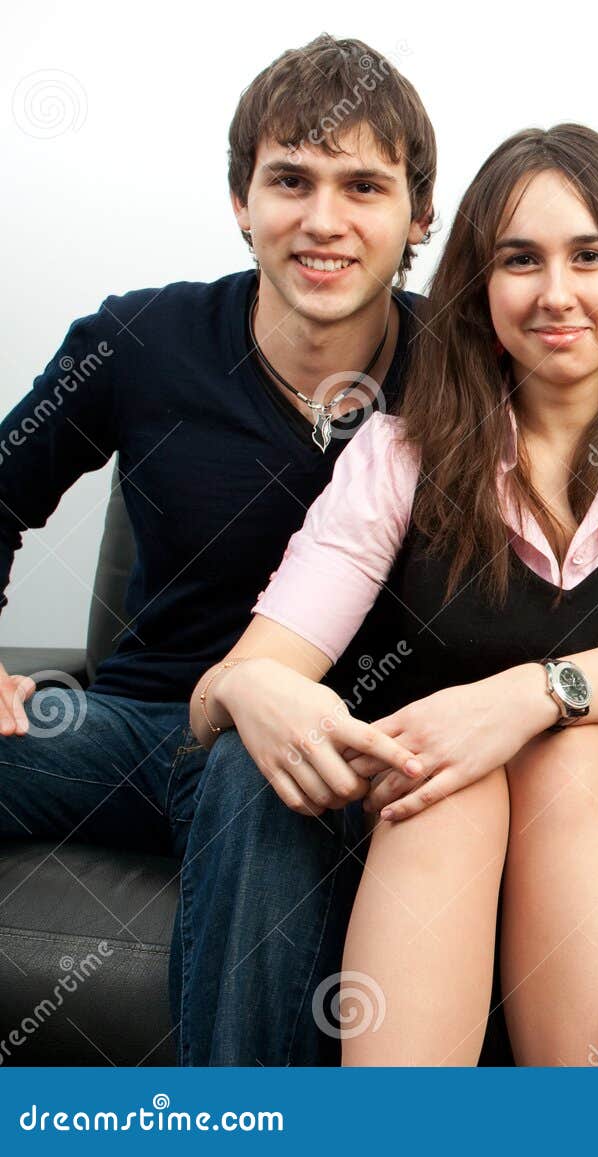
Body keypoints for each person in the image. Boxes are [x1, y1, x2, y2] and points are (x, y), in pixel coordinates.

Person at [189, 123, 598, 1066]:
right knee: (445, 775)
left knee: (569, 760)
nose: (556, 292)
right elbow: (245, 675)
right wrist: (248, 686)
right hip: (428, 828)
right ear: (480, 286)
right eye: (520, 259)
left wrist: (518, 700)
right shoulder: (398, 454)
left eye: (589, 255)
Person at [0, 34, 437, 1065]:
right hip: (136, 733)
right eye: (290, 179)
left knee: (258, 753)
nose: (322, 220)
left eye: (362, 186)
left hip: (337, 759)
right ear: (243, 199)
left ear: (417, 216)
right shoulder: (138, 340)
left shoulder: (464, 367)